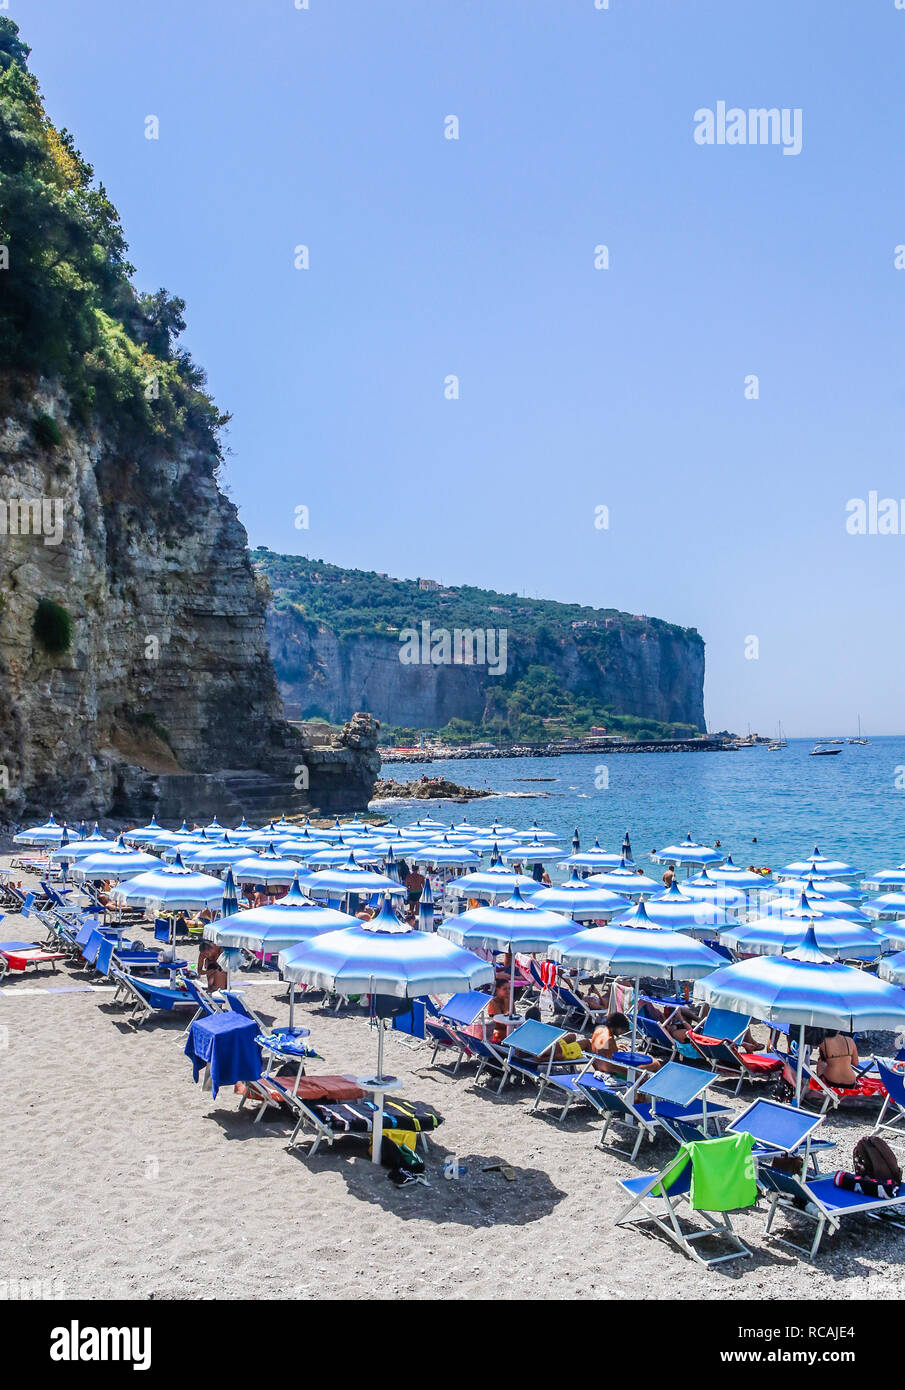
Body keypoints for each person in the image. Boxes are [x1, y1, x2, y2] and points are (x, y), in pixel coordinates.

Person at [590, 1012, 660, 1075]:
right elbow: (615, 1066)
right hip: (611, 1072)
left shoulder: (599, 1030)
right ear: (616, 1026)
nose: (622, 1032)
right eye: (622, 1029)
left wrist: (616, 1047)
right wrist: (636, 1075)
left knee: (641, 1054)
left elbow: (601, 1051)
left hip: (598, 1066)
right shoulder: (610, 1040)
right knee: (655, 1063)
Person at [486, 980, 514, 1044]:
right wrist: (507, 1003)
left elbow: (515, 1016)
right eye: (505, 989)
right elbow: (502, 1021)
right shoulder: (493, 1002)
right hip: (497, 1030)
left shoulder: (510, 1000)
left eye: (509, 988)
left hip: (508, 1028)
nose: (508, 991)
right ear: (498, 990)